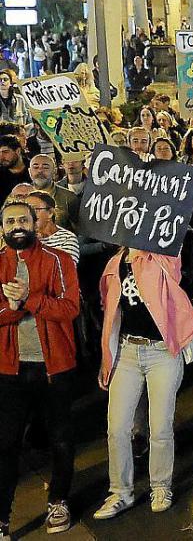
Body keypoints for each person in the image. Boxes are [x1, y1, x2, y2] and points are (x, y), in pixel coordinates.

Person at [0, 201, 80, 537]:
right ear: (2, 229)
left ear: (35, 223)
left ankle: (58, 501)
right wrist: (15, 308)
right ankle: (2, 516)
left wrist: (29, 300)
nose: (17, 225)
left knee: (61, 439)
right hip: (8, 370)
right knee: (5, 444)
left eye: (23, 219)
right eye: (10, 221)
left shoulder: (58, 260)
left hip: (54, 366)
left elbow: (70, 308)